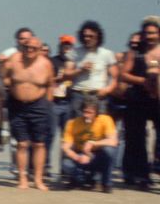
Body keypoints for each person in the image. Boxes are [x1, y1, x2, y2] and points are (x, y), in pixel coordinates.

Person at [2, 36, 54, 191]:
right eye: (27, 47)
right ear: (22, 47)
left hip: (38, 105)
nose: (29, 50)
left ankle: (38, 179)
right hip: (17, 105)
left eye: (34, 48)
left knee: (39, 143)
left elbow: (51, 85)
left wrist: (48, 104)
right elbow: (3, 77)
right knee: (22, 143)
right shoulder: (14, 59)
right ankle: (23, 178)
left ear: (39, 50)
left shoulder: (45, 64)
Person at [120, 20, 160, 188]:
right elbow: (123, 74)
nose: (150, 37)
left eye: (153, 33)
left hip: (158, 99)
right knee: (136, 137)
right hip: (138, 98)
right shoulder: (135, 53)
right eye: (147, 33)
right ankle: (140, 175)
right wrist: (142, 81)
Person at [61, 97, 118, 193]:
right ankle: (80, 180)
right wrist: (76, 157)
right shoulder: (72, 123)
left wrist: (94, 143)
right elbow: (65, 147)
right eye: (84, 111)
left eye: (89, 112)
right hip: (80, 155)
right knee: (66, 164)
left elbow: (113, 141)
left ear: (96, 112)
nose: (86, 115)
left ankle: (106, 183)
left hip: (98, 155)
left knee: (110, 150)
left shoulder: (105, 119)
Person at [66, 20, 117, 116]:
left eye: (91, 36)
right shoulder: (74, 53)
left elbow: (115, 77)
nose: (87, 39)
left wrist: (107, 89)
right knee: (77, 126)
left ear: (98, 36)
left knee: (99, 126)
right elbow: (66, 74)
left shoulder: (107, 54)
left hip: (97, 95)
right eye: (85, 36)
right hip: (78, 94)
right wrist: (80, 70)